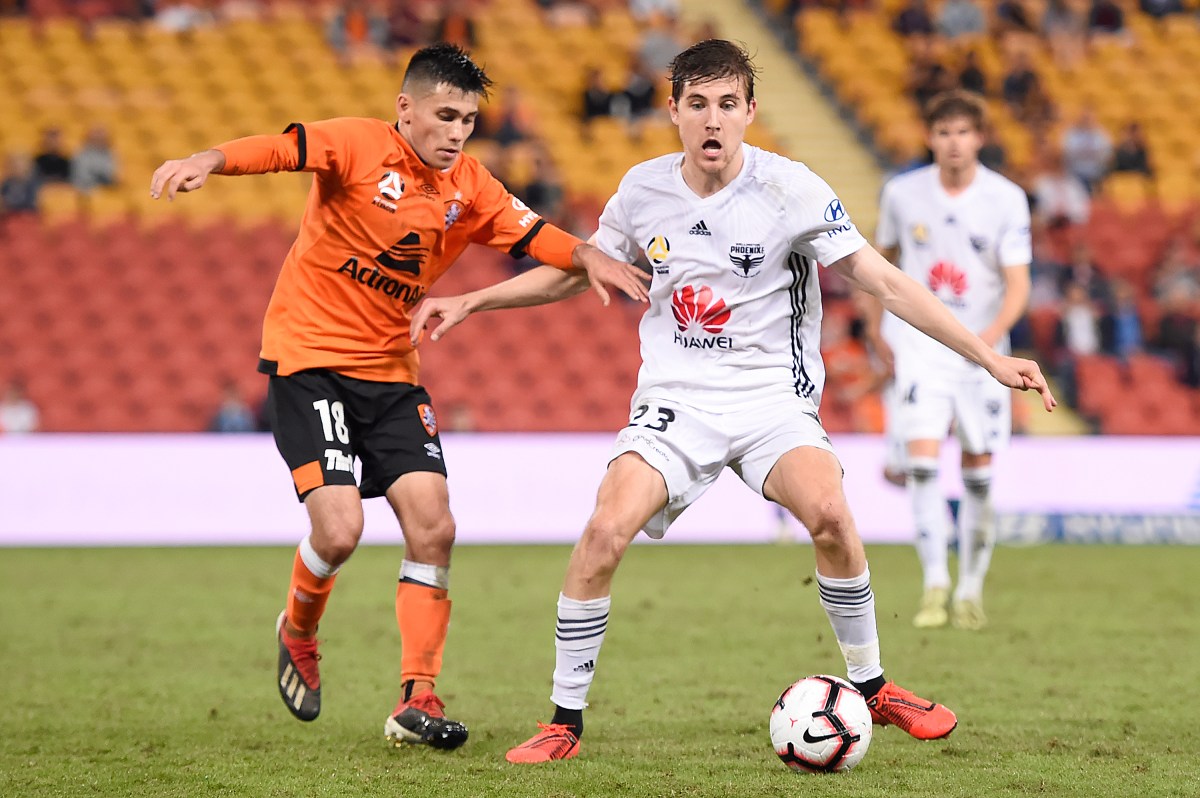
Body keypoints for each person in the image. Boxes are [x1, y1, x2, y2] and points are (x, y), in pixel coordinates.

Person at [410, 40, 1055, 763]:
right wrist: (473, 299)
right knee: (601, 535)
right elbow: (575, 272)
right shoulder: (643, 189)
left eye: (727, 105)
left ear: (750, 111)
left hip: (770, 399)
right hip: (676, 400)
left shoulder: (794, 190)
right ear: (674, 111)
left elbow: (887, 282)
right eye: (697, 105)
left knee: (833, 517)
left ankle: (873, 686)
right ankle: (564, 721)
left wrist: (990, 357)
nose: (712, 120)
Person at [149, 42, 647, 749]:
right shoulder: (355, 145)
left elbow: (533, 234)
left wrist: (590, 253)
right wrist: (210, 159)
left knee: (435, 525)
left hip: (389, 376)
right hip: (309, 362)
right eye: (445, 115)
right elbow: (283, 149)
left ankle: (418, 695)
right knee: (341, 531)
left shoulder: (469, 186)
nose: (457, 132)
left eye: (469, 120)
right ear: (405, 108)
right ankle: (299, 628)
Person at [871, 90, 1033, 632]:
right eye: (943, 132)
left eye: (963, 132)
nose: (953, 143)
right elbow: (880, 263)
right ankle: (935, 583)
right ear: (929, 138)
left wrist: (987, 344)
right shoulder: (901, 193)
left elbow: (1018, 283)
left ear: (979, 138)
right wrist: (876, 326)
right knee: (920, 464)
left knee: (980, 476)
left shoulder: (1006, 198)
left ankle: (970, 589)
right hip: (921, 345)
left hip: (984, 354)